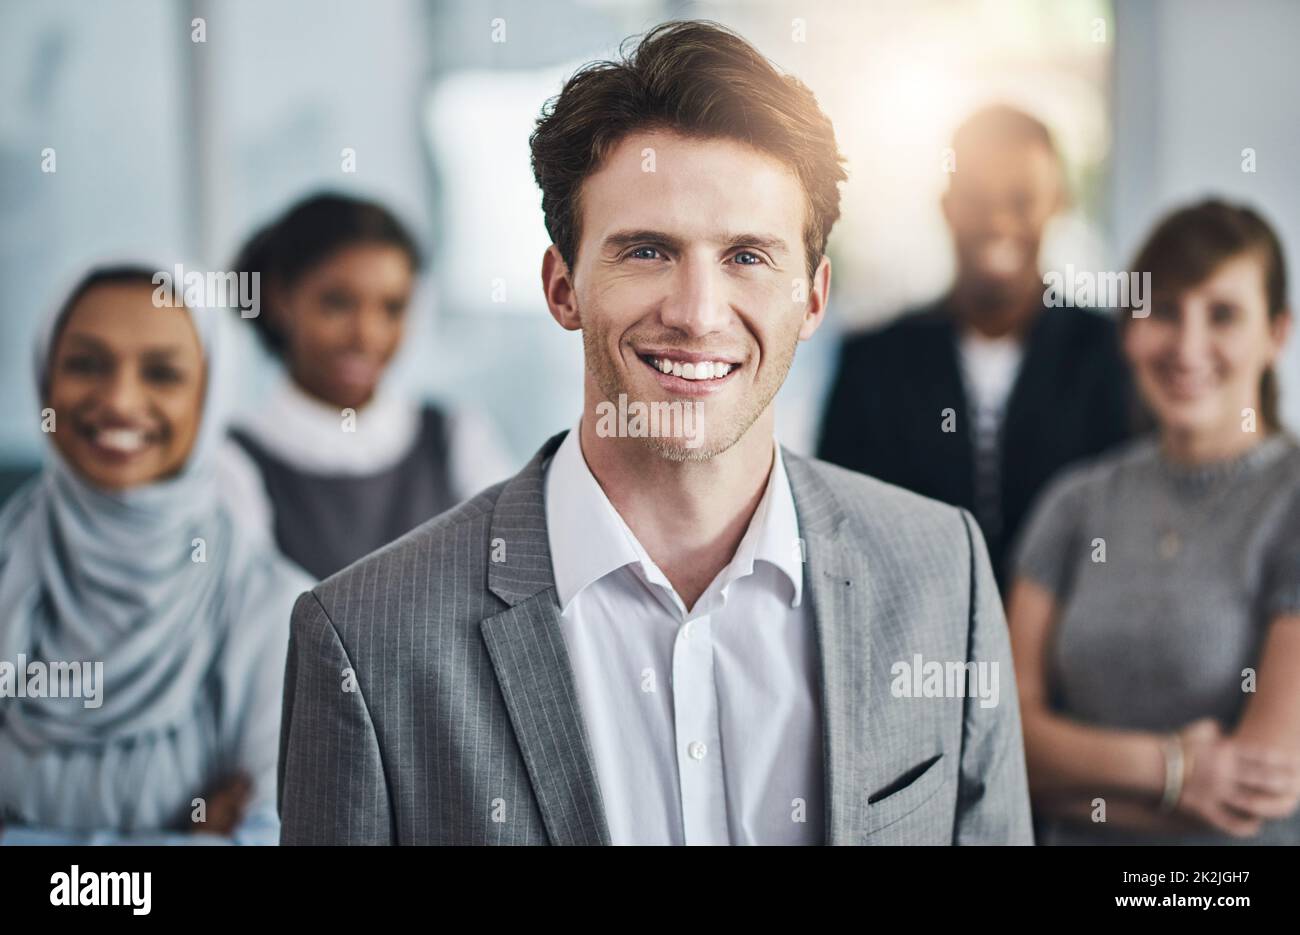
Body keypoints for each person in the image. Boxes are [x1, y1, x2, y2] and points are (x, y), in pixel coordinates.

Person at [278, 21, 1033, 845]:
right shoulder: (363, 637)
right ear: (562, 287)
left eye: (747, 256)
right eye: (646, 250)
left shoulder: (942, 576)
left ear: (812, 298)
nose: (697, 313)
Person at [1009, 200, 1300, 844]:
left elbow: (1256, 795)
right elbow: (1002, 736)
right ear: (1128, 330)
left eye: (1223, 314)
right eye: (1163, 310)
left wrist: (1066, 782)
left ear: (1276, 334)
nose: (1187, 346)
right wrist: (1174, 769)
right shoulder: (1075, 501)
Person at [0, 265, 311, 845]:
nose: (119, 401)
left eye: (162, 373)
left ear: (209, 397)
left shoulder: (278, 611)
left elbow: (281, 838)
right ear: (44, 380)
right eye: (85, 365)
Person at [818, 105, 1132, 591]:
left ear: (1059, 202)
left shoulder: (1113, 356)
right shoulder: (875, 363)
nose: (998, 220)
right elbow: (835, 532)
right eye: (976, 198)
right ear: (947, 205)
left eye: (1022, 199)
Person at [218, 192, 515, 580]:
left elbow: (512, 578)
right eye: (337, 304)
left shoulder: (456, 436)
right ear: (279, 299)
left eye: (392, 308)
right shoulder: (233, 463)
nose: (366, 336)